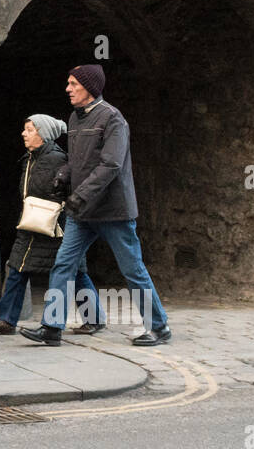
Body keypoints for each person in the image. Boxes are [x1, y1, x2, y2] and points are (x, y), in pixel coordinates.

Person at [21, 64, 172, 347]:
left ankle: (159, 327)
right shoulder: (75, 119)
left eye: (73, 84)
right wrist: (65, 175)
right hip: (83, 211)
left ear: (89, 88)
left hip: (113, 211)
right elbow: (78, 160)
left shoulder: (113, 119)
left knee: (132, 269)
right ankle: (52, 328)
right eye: (68, 83)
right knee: (63, 264)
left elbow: (110, 164)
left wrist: (81, 194)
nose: (68, 89)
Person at [0, 114, 107, 336]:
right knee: (18, 267)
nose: (23, 134)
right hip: (32, 224)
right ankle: (6, 319)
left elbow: (69, 191)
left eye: (29, 130)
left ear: (43, 134)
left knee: (75, 271)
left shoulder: (57, 160)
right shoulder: (31, 158)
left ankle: (94, 319)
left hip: (54, 227)